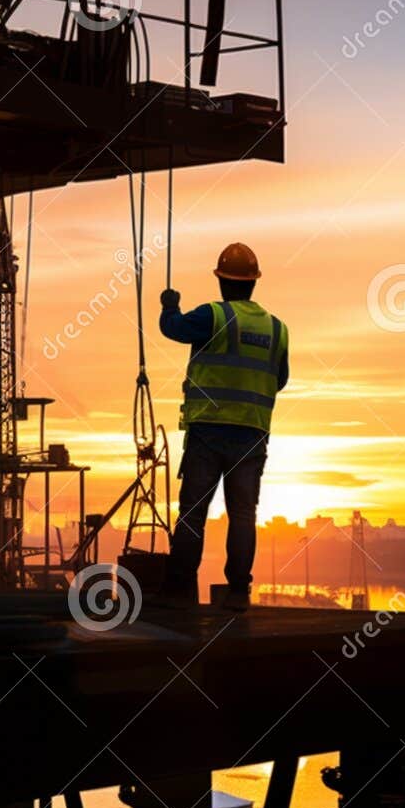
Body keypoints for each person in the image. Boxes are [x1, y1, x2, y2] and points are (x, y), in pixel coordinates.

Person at [158, 242, 289, 611]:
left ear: (221, 282)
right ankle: (237, 593)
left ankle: (179, 590)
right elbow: (278, 379)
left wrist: (169, 304)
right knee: (243, 514)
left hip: (209, 432)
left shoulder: (212, 316)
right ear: (253, 283)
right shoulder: (278, 329)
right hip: (251, 435)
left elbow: (174, 329)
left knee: (193, 513)